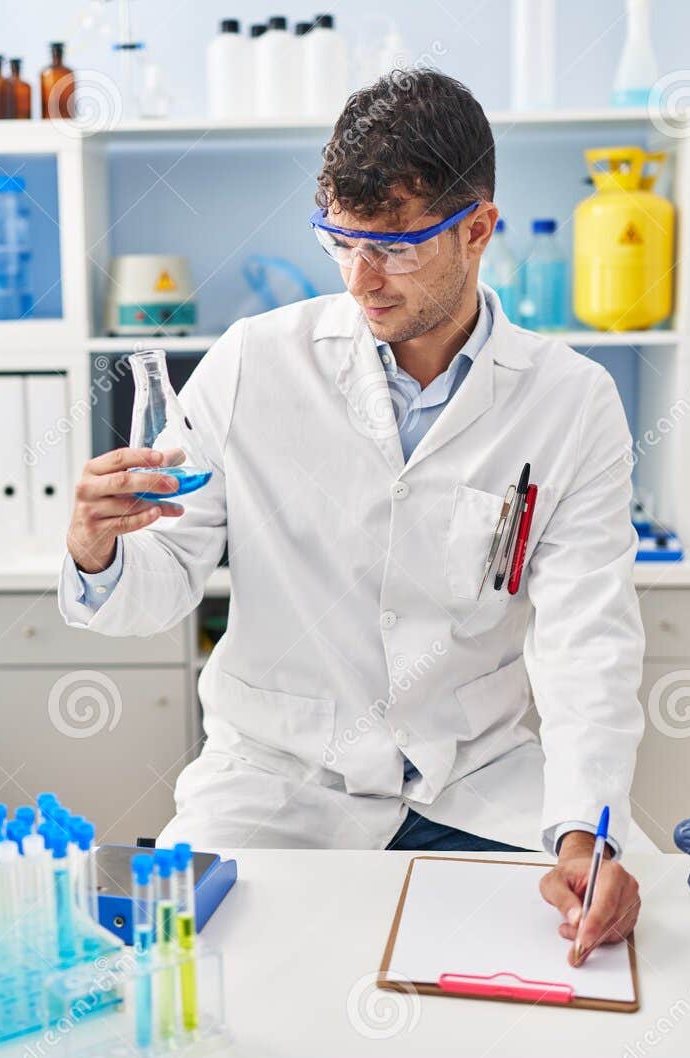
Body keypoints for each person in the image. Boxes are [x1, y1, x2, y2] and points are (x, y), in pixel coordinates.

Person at [59, 71, 643, 959]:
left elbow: (587, 641)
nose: (362, 279)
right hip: (274, 784)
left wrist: (585, 836)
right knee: (185, 975)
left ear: (479, 228)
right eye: (340, 241)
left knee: (555, 980)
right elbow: (164, 579)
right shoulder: (252, 362)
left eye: (396, 246)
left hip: (474, 786)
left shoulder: (571, 401)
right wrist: (98, 550)